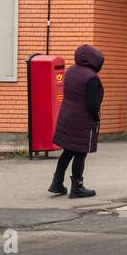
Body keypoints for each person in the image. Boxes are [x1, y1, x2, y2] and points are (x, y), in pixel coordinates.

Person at [48, 44, 105, 199]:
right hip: (83, 119)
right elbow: (92, 104)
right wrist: (97, 117)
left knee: (68, 150)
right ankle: (77, 187)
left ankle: (57, 183)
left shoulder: (71, 71)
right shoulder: (91, 78)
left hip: (67, 115)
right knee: (81, 151)